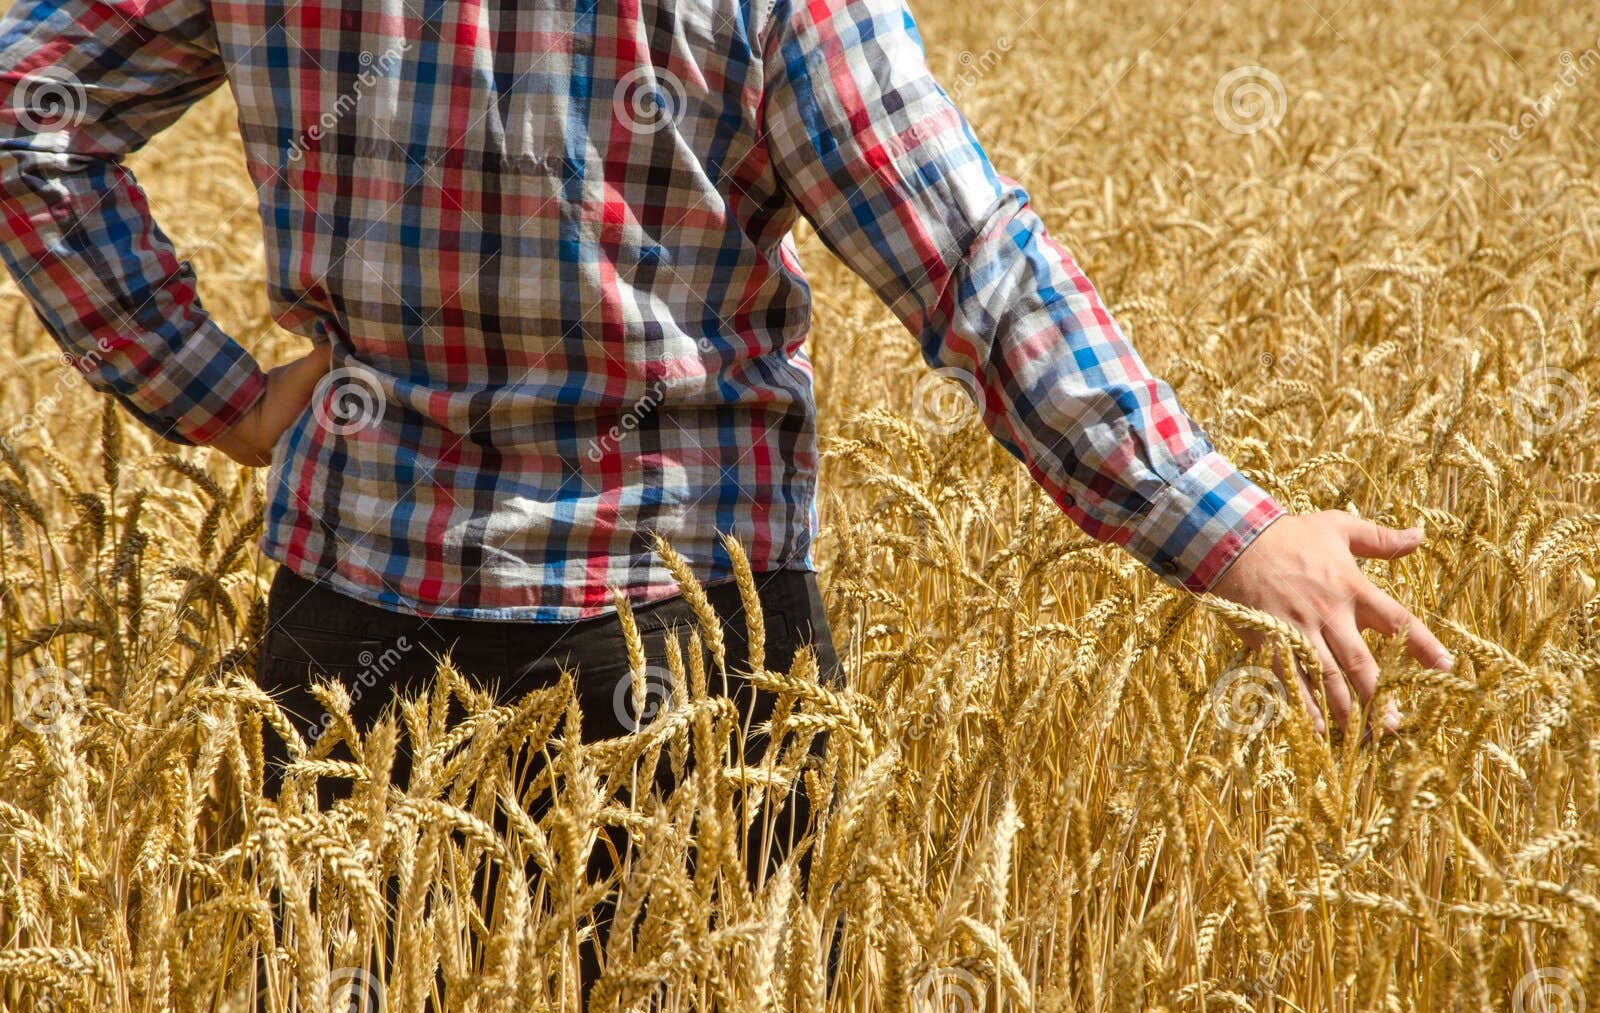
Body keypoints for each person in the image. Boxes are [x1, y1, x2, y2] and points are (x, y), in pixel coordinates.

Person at [0, 1, 1449, 790]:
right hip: (690, 658)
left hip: (358, 628)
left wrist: (223, 396)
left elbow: (26, 113)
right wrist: (1221, 523)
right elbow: (966, 266)